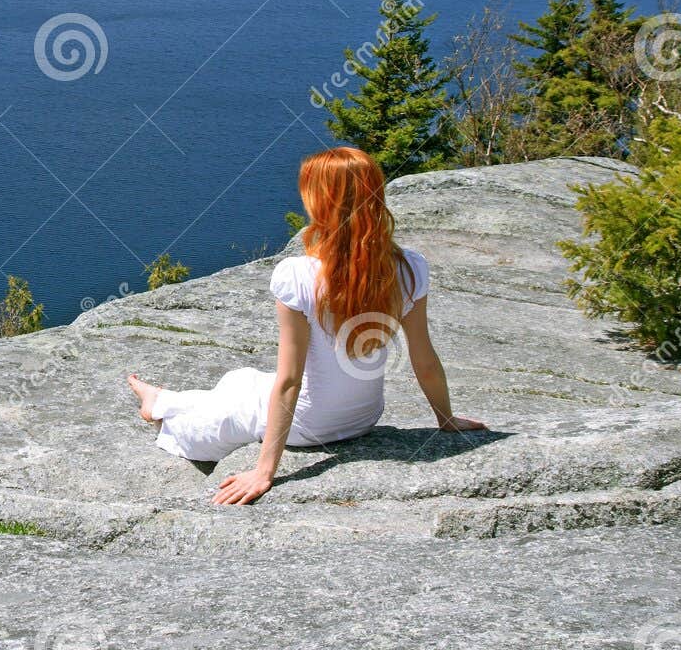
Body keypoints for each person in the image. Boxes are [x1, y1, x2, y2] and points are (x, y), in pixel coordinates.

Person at [128, 146, 485, 506]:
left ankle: (158, 407)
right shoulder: (410, 268)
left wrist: (265, 471)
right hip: (364, 417)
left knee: (215, 418)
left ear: (322, 202)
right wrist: (446, 418)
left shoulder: (299, 275)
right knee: (241, 379)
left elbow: (290, 380)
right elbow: (423, 358)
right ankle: (162, 399)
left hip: (308, 426)